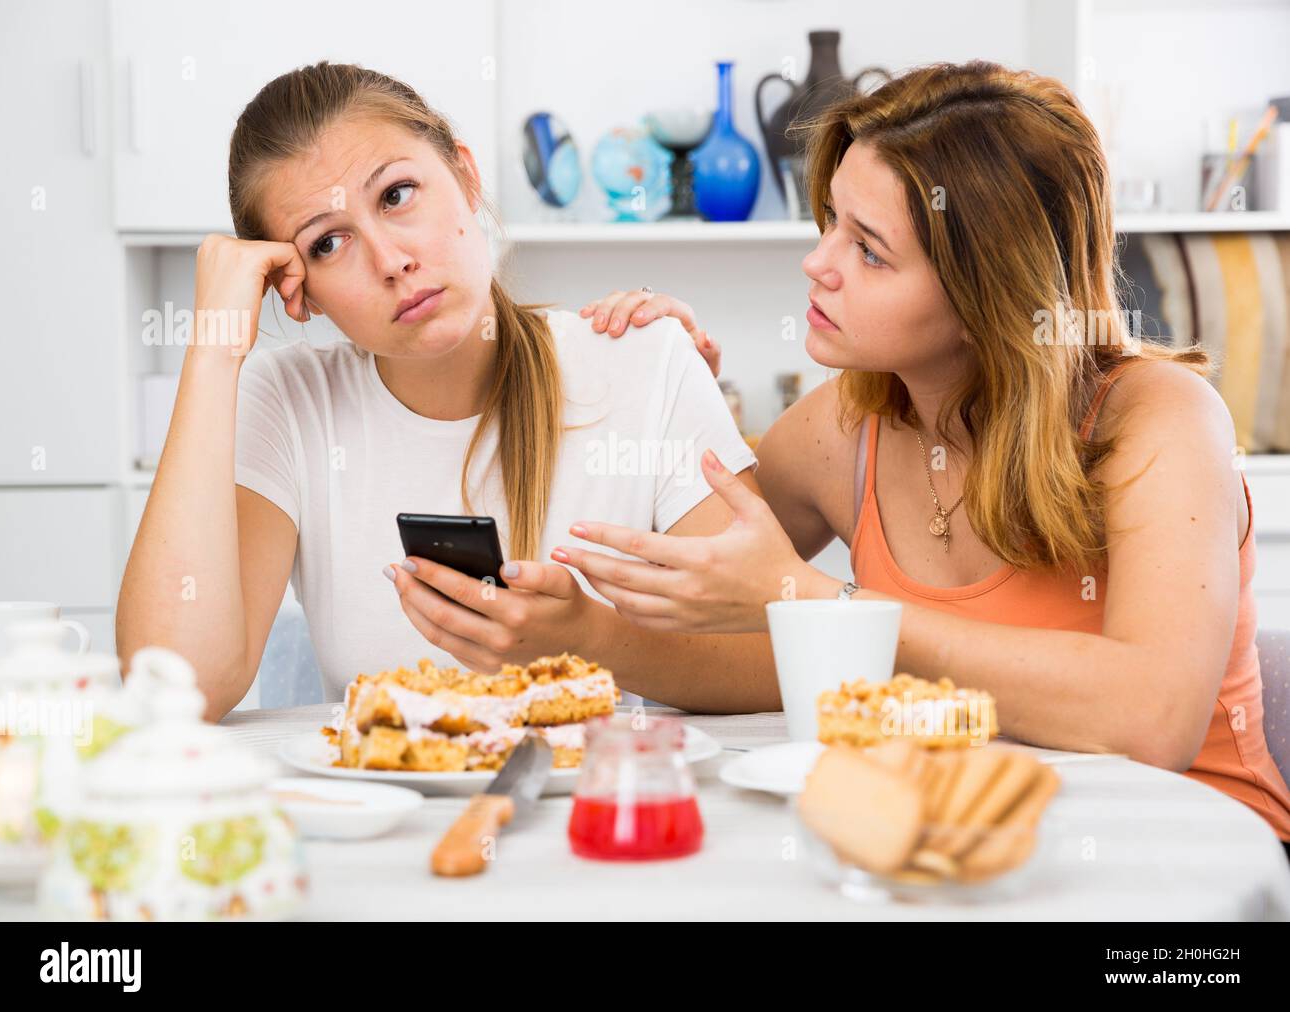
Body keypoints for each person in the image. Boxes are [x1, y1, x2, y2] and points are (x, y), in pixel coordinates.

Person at [558, 62, 1290, 847]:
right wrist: (669, 396)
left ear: (989, 299)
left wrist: (827, 606)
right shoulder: (844, 426)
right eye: (832, 220)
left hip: (1189, 852)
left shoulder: (1162, 422)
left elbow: (1152, 722)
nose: (819, 263)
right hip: (952, 844)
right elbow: (693, 599)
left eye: (869, 251)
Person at [115, 61, 773, 721]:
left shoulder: (646, 361)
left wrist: (593, 640)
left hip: (595, 811)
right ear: (298, 291)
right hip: (384, 818)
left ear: (464, 176)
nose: (390, 261)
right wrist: (211, 350)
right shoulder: (288, 401)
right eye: (329, 243)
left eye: (397, 194)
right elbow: (178, 690)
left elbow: (774, 661)